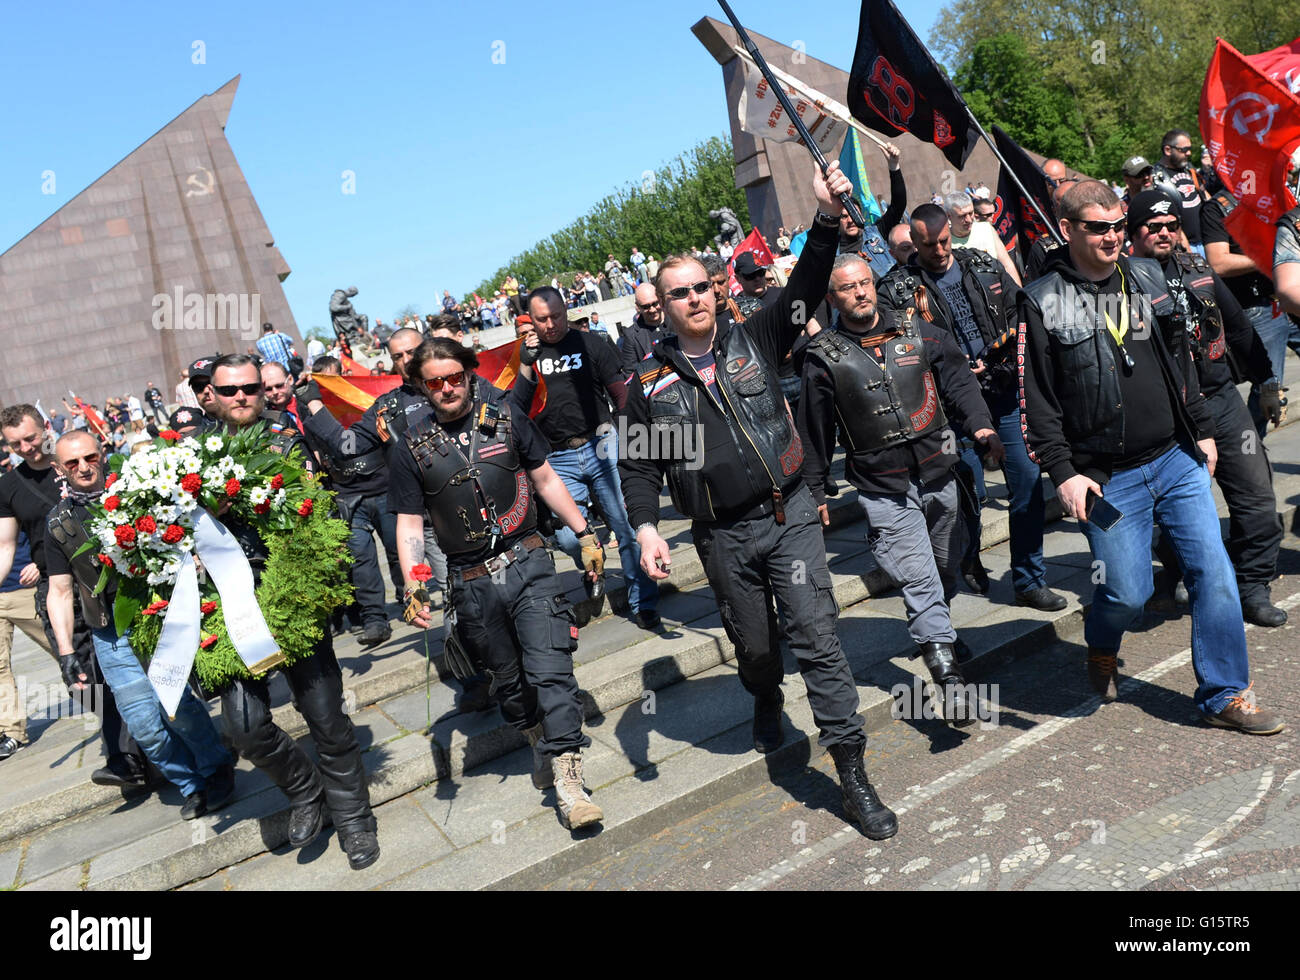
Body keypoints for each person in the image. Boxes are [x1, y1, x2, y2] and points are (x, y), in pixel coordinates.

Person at [620, 161, 899, 840]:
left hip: (788, 514)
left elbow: (807, 283)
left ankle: (852, 772)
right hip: (722, 536)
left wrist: (826, 216)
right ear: (662, 306)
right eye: (679, 293)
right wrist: (647, 529)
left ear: (716, 290)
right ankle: (765, 693)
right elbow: (640, 467)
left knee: (818, 636)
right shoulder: (650, 384)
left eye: (702, 287)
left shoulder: (758, 336)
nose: (694, 299)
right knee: (756, 648)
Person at [1017, 180, 1283, 735]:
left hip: (1175, 457)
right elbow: (1035, 400)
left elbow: (1181, 362)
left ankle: (1225, 694)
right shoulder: (1041, 300)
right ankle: (1102, 642)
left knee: (1214, 572)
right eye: (1099, 228)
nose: (1113, 236)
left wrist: (1202, 431)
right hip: (1105, 479)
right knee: (1127, 592)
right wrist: (1062, 473)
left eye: (1118, 225)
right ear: (1067, 229)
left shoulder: (1146, 276)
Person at [391, 338, 605, 830]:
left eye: (454, 377)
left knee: (551, 671)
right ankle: (536, 739)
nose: (447, 388)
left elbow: (546, 479)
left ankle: (570, 783)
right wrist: (414, 584)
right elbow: (409, 524)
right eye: (435, 382)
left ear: (469, 374)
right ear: (421, 386)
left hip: (529, 563)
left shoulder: (507, 418)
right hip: (471, 585)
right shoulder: (409, 448)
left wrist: (584, 533)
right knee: (510, 685)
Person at [800, 255, 1003, 724]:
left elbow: (958, 382)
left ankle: (939, 629)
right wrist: (816, 490)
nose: (860, 293)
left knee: (945, 565)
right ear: (832, 298)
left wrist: (981, 426)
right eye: (848, 288)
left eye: (865, 283)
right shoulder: (820, 357)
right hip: (883, 487)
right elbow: (813, 430)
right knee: (917, 575)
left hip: (939, 472)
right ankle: (948, 679)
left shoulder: (918, 330)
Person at [206, 354, 381, 868]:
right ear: (211, 396)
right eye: (229, 390)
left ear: (263, 391)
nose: (241, 396)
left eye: (249, 388)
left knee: (325, 717)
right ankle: (306, 791)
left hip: (292, 598)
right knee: (244, 726)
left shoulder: (286, 443)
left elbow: (310, 517)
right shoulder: (194, 458)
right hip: (231, 610)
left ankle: (354, 821)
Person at [45, 430, 236, 819]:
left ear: (103, 454)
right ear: (59, 469)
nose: (84, 467)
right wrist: (66, 651)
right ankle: (189, 783)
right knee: (143, 724)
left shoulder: (138, 493)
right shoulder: (59, 523)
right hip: (109, 633)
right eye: (72, 463)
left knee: (176, 706)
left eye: (90, 457)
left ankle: (215, 769)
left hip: (156, 616)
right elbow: (60, 591)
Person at [883, 204, 1065, 611]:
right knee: (970, 495)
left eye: (944, 241)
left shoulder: (981, 265)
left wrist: (1005, 352)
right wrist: (946, 366)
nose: (939, 250)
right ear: (913, 244)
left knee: (1027, 481)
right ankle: (968, 557)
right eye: (928, 245)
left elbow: (1022, 312)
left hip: (1003, 393)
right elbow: (894, 351)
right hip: (948, 409)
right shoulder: (896, 290)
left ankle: (1029, 579)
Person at [1126, 190, 1285, 626]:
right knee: (1176, 509)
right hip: (1167, 413)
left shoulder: (1197, 269)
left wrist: (1268, 382)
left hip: (1221, 400)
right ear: (1134, 232)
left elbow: (1239, 329)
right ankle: (1180, 569)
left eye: (1172, 225)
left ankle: (1253, 586)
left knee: (1258, 500)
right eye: (1153, 226)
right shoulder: (1120, 282)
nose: (1164, 232)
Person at [0, 404, 147, 786]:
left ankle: (127, 756)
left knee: (129, 662)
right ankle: (126, 751)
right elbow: (5, 545)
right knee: (82, 678)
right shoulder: (8, 486)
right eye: (16, 444)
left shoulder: (81, 461)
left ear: (45, 429)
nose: (26, 448)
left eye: (31, 438)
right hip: (56, 585)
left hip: (106, 577)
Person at [525, 286, 660, 630]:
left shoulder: (591, 343)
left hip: (602, 443)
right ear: (531, 320)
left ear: (566, 310)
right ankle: (592, 561)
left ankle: (642, 601)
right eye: (542, 319)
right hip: (556, 457)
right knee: (570, 538)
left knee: (627, 526)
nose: (551, 325)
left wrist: (633, 438)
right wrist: (525, 364)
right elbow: (516, 407)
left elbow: (619, 393)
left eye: (556, 316)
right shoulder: (524, 357)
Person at [1201, 186, 1292, 438]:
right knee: (1269, 389)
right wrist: (1267, 257)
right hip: (1258, 309)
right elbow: (1218, 262)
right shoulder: (1218, 206)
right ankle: (1249, 450)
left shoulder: (1275, 195)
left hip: (1289, 298)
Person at [0, 530, 46, 759]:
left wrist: (42, 562)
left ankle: (105, 706)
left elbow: (40, 522)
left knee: (67, 650)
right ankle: (12, 733)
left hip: (25, 587)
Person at [944, 193, 1022, 285]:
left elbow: (1008, 265)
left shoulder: (986, 229)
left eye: (971, 213)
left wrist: (1019, 291)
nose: (968, 219)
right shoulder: (944, 242)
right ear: (949, 216)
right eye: (962, 216)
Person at [1151, 130, 1209, 255]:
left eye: (1189, 149)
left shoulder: (1189, 169)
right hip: (1182, 245)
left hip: (1207, 239)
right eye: (1184, 149)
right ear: (1168, 150)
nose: (1189, 153)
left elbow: (1205, 195)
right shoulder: (1155, 178)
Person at [619, 283, 672, 377]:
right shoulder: (631, 335)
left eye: (655, 303)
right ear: (638, 307)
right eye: (646, 307)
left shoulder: (676, 319)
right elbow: (630, 373)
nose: (652, 310)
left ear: (660, 298)